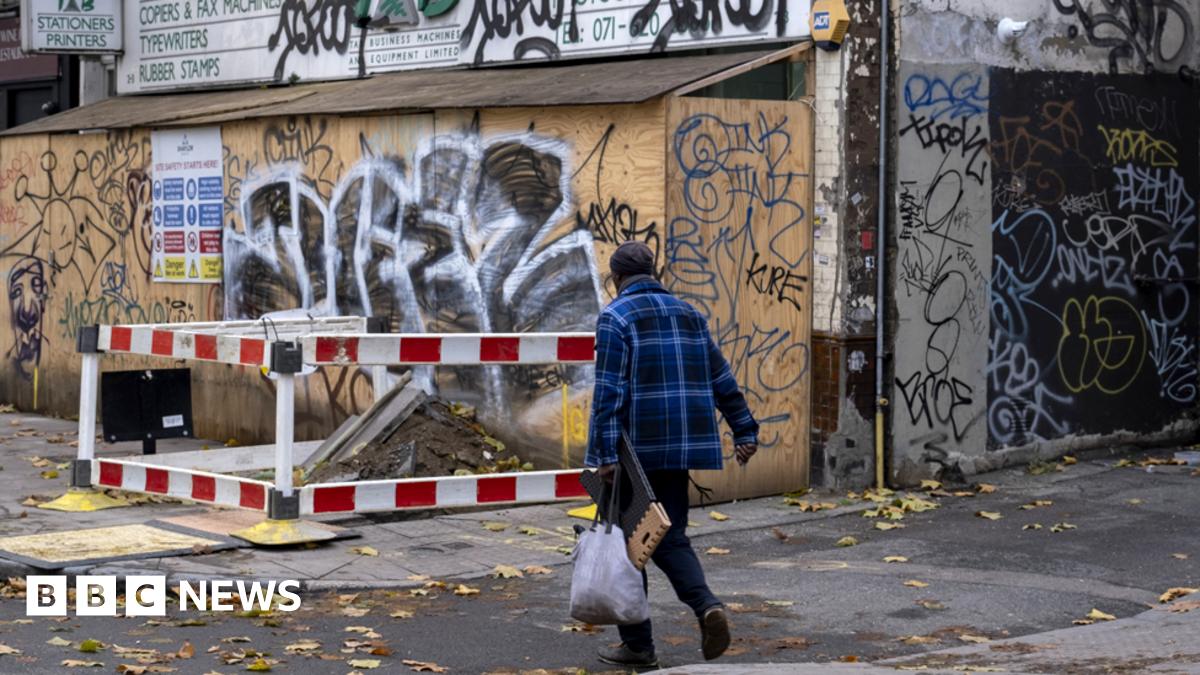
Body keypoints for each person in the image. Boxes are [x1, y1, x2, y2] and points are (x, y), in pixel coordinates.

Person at [585, 240, 760, 669]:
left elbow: (609, 392)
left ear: (617, 278)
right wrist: (744, 429)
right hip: (679, 448)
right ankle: (704, 608)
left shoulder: (616, 317)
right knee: (669, 535)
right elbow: (722, 377)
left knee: (631, 543)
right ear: (654, 272)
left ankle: (641, 645)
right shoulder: (689, 315)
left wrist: (604, 454)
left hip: (635, 452)